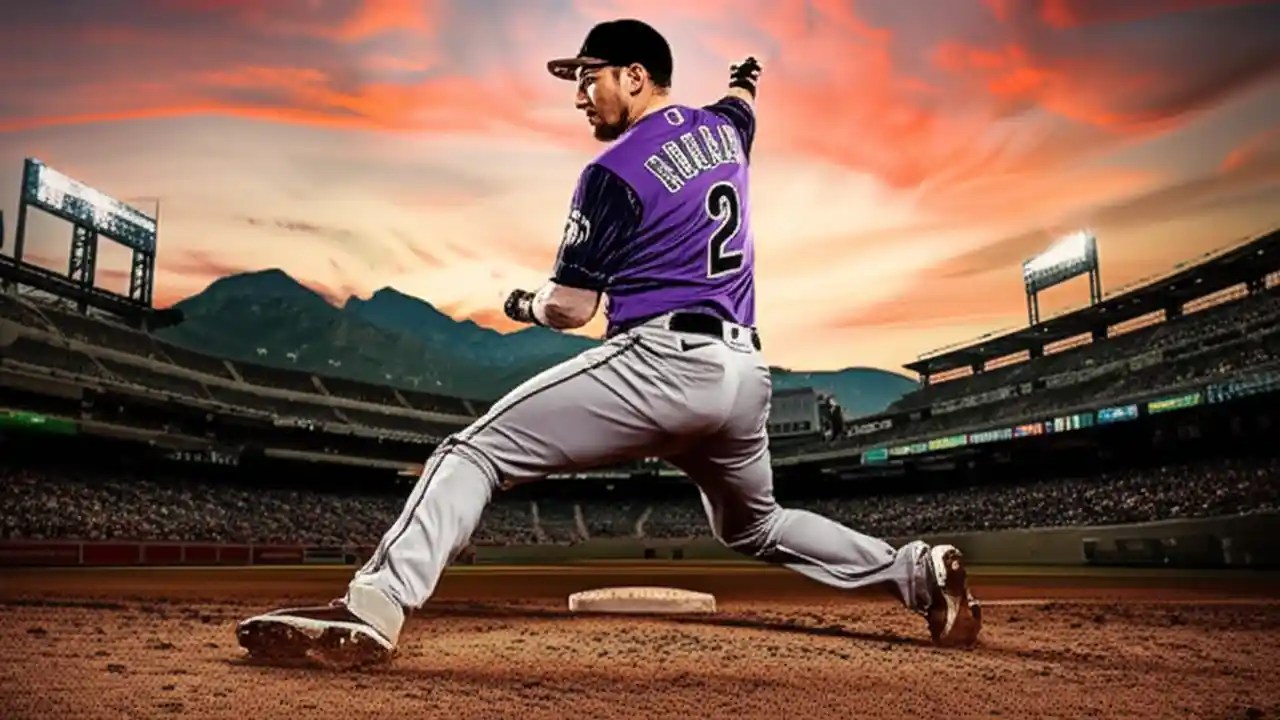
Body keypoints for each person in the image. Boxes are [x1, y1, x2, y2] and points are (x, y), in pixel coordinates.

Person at [236, 18, 980, 669]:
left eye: (590, 77)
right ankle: (917, 573)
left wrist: (522, 301)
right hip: (744, 371)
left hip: (662, 365)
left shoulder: (610, 171)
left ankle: (376, 605)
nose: (579, 94)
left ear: (635, 76)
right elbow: (742, 105)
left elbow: (572, 309)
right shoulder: (725, 132)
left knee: (472, 453)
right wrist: (746, 78)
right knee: (755, 523)